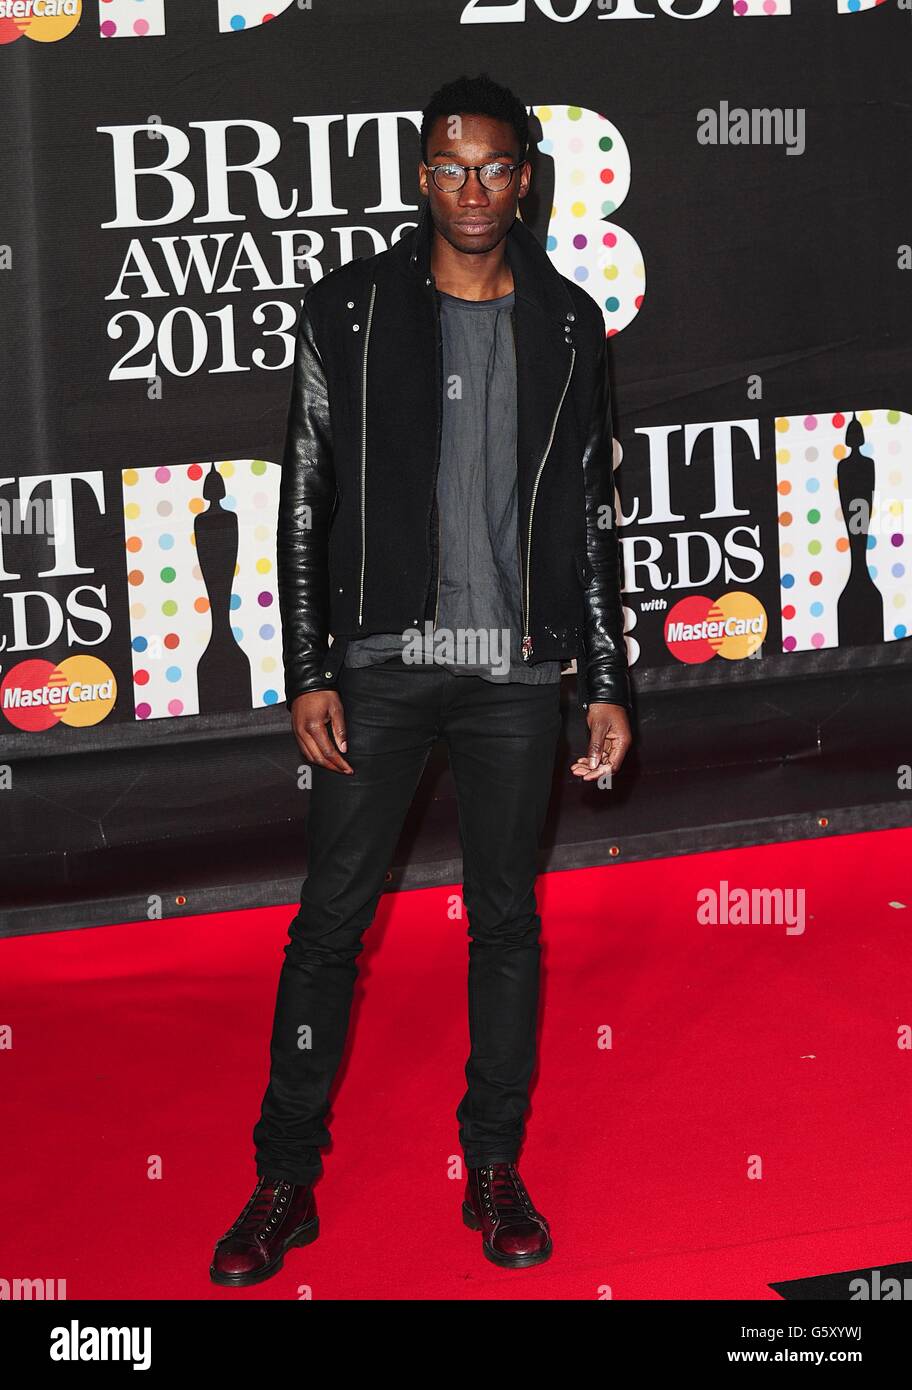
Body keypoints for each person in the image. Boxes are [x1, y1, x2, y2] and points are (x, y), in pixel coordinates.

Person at [210, 72, 633, 1287]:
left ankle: (492, 1167)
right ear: (417, 177)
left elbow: (584, 526)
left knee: (506, 922)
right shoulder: (347, 310)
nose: (473, 190)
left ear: (526, 179)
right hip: (382, 668)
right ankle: (284, 1178)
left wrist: (601, 674)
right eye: (450, 168)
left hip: (513, 672)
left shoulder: (566, 323)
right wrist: (306, 667)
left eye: (495, 168)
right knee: (328, 928)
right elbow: (305, 501)